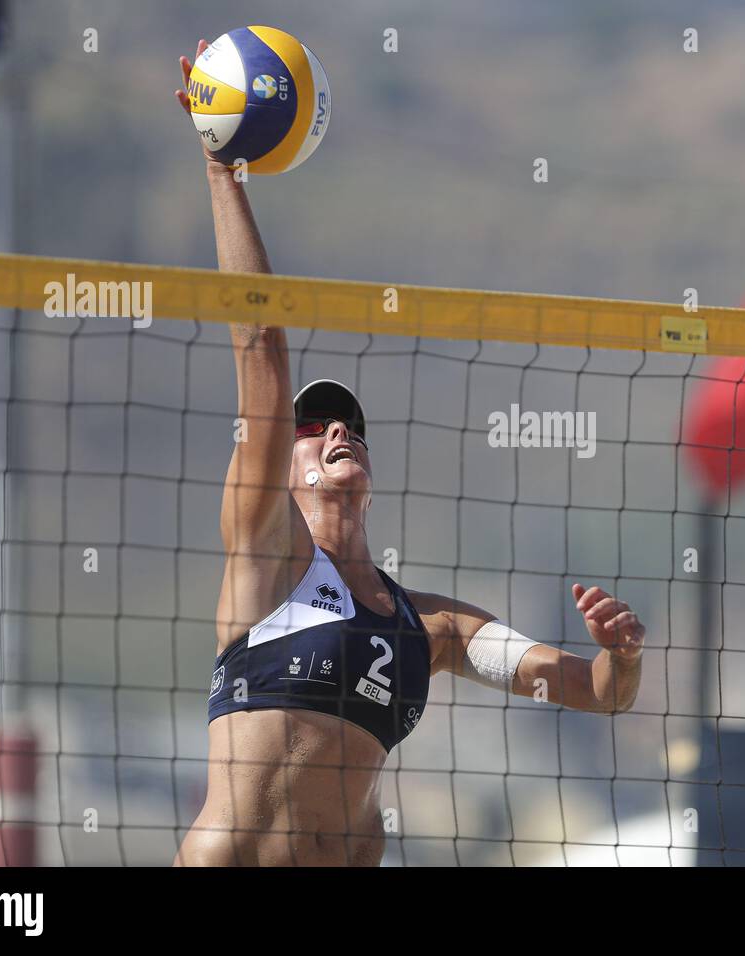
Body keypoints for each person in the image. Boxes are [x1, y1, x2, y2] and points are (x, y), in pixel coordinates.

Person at [171, 40, 645, 866]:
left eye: (347, 422)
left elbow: (595, 695)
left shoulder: (434, 630)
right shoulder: (267, 557)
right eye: (312, 429)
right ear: (282, 464)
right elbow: (260, 355)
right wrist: (225, 175)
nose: (334, 431)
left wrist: (622, 656)